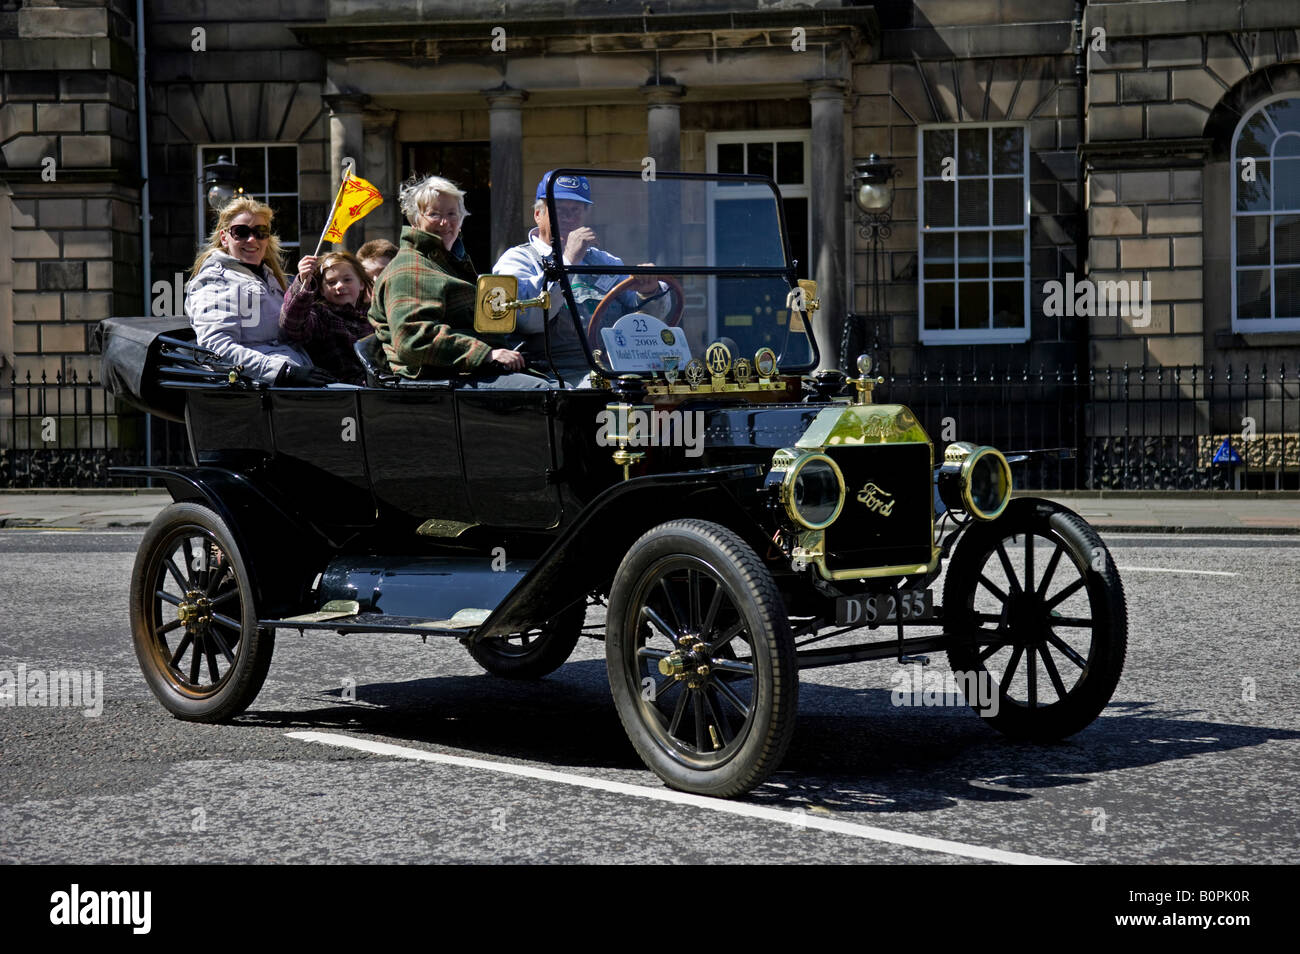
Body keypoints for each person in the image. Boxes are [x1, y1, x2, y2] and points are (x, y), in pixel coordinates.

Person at [369, 174, 546, 387]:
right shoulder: (411, 268)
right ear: (415, 220)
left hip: (461, 369)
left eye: (452, 214)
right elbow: (414, 340)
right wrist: (486, 354)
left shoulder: (447, 261)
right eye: (433, 214)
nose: (445, 223)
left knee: (554, 378)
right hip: (433, 377)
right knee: (542, 391)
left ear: (461, 220)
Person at [492, 171, 661, 386]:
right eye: (560, 211)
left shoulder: (603, 261)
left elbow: (643, 311)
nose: (569, 218)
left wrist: (649, 290)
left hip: (611, 367)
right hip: (552, 373)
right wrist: (568, 260)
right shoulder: (518, 260)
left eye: (576, 211)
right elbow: (529, 319)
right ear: (538, 214)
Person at [186, 196, 331, 386]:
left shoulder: (270, 276)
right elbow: (216, 348)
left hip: (297, 375)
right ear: (224, 237)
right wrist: (283, 372)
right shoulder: (215, 281)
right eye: (241, 232)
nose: (252, 239)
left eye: (260, 231)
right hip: (263, 390)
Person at [279, 250, 373, 385]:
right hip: (338, 391)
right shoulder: (320, 315)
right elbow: (294, 325)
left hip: (375, 389)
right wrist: (303, 283)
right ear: (322, 290)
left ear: (361, 283)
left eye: (347, 279)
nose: (340, 286)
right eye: (331, 282)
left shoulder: (371, 315)